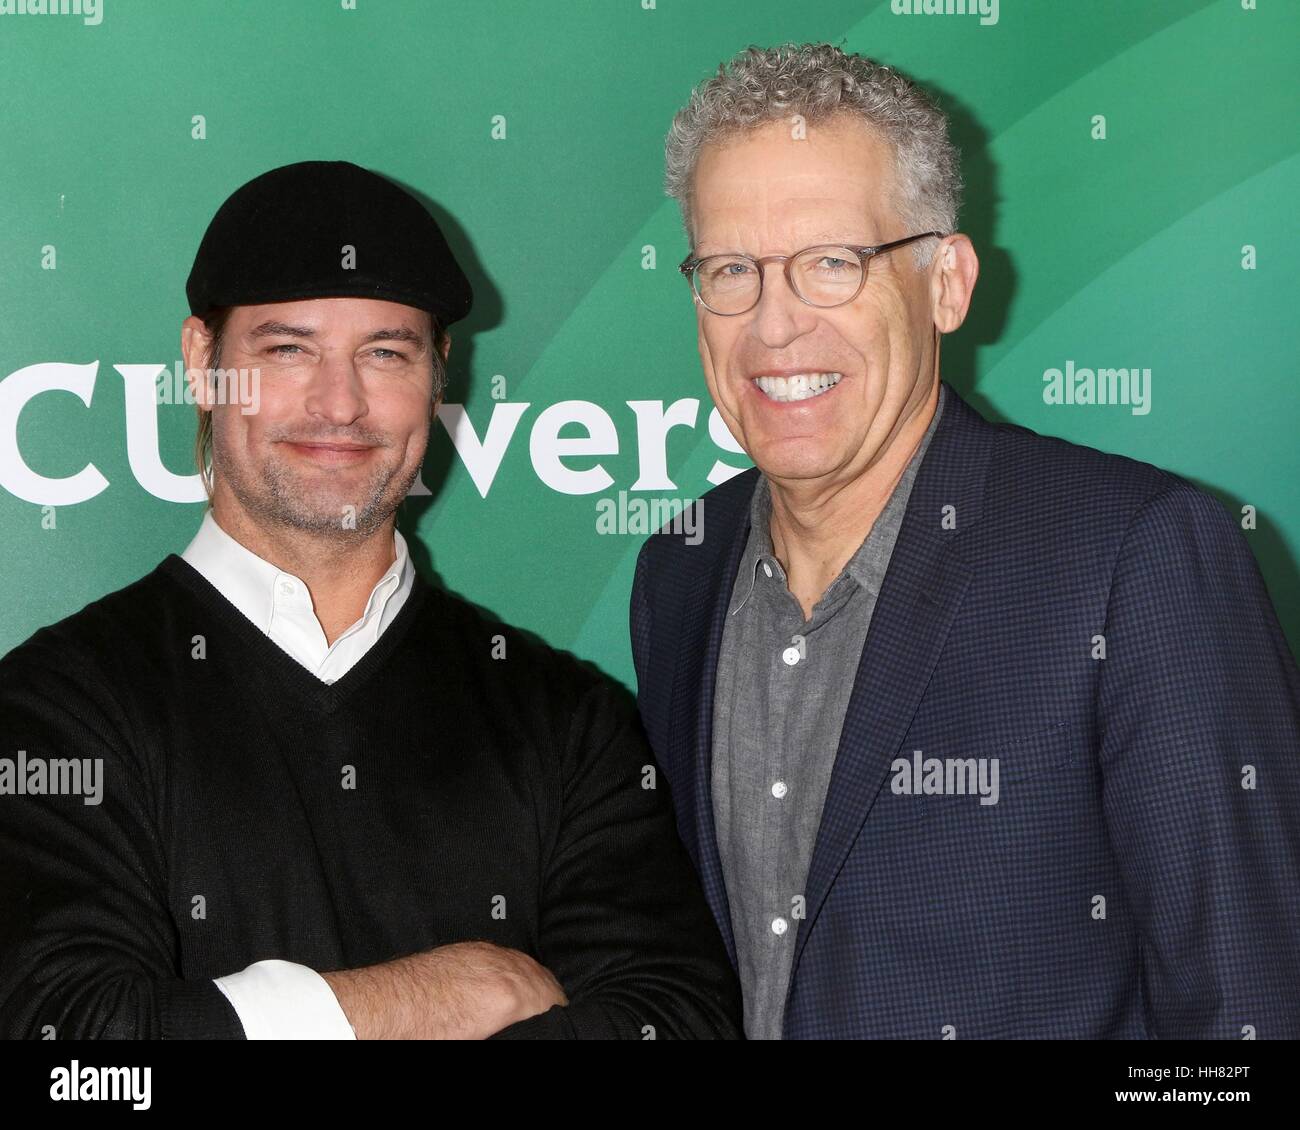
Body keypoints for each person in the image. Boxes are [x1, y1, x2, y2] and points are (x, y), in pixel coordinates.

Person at [631, 43, 1300, 1039]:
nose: (772, 328)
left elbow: (1246, 1016)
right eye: (731, 269)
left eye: (831, 264)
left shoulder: (1134, 557)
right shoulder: (679, 564)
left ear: (946, 282)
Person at [0, 160, 740, 1040]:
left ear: (439, 375)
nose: (338, 403)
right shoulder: (55, 709)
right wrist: (434, 999)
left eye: (385, 353)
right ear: (202, 362)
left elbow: (676, 1020)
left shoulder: (568, 722)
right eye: (288, 349)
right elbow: (72, 1049)